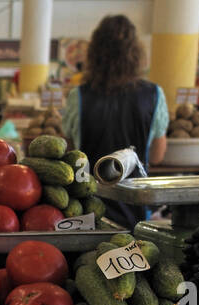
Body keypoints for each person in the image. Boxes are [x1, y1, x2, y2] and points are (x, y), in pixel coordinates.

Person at [61, 15, 168, 226]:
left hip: (89, 206)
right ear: (136, 53)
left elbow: (71, 152)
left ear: (94, 53)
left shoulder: (79, 96)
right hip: (137, 206)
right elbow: (157, 155)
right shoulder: (153, 94)